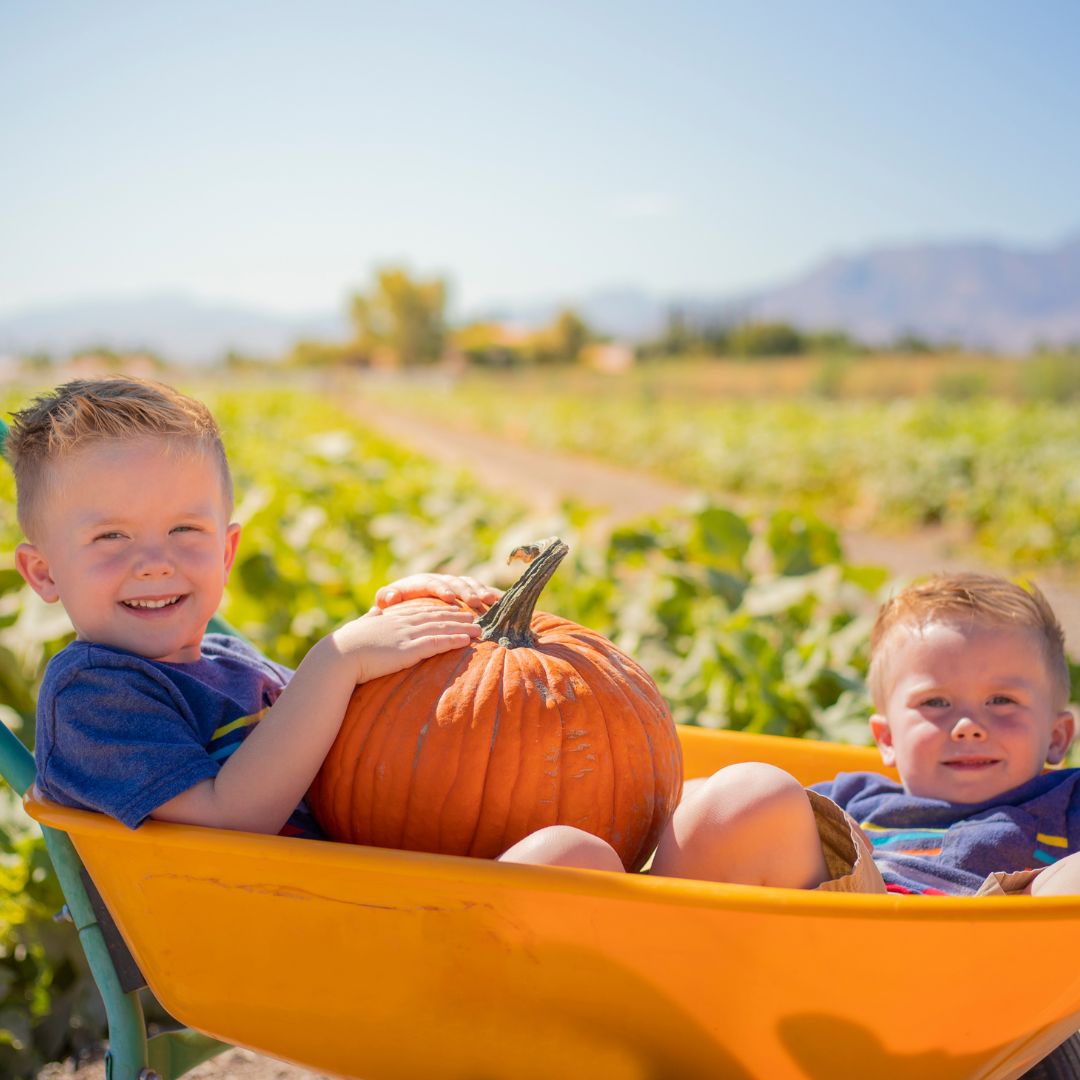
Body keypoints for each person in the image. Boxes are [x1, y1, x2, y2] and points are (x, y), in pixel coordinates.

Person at [8, 376, 499, 837]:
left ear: (225, 553)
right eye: (111, 536)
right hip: (234, 922)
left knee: (560, 851)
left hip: (333, 894)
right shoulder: (93, 696)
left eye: (184, 530)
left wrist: (388, 623)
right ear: (45, 573)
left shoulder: (233, 662)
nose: (155, 564)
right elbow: (230, 821)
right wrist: (337, 658)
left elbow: (341, 733)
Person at [502, 573, 1080, 897]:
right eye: (935, 703)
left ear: (1058, 738)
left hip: (967, 960)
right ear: (886, 738)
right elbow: (725, 820)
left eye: (1002, 701)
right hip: (813, 945)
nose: (968, 724)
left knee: (753, 795)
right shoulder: (857, 797)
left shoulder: (1062, 802)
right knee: (561, 855)